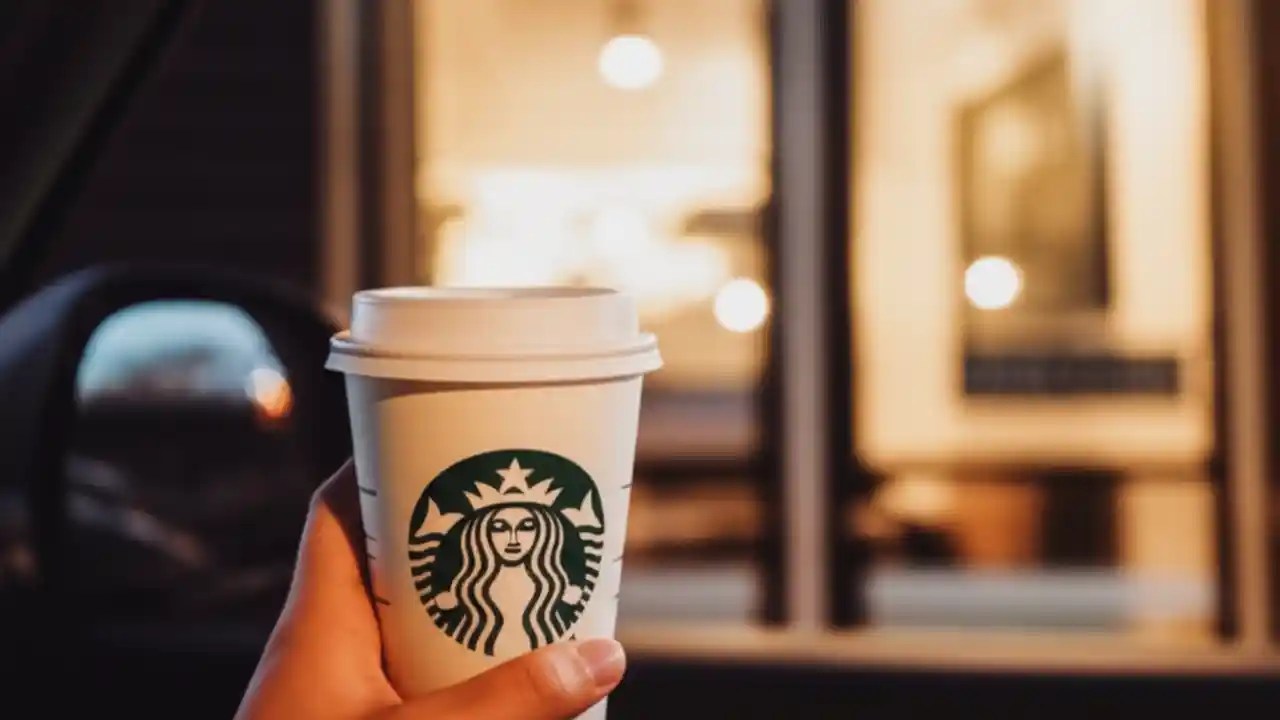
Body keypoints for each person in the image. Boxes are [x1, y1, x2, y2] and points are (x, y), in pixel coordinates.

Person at [235, 461, 626, 720]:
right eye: (498, 527)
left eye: (525, 527)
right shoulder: (467, 599)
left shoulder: (549, 590)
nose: (512, 539)